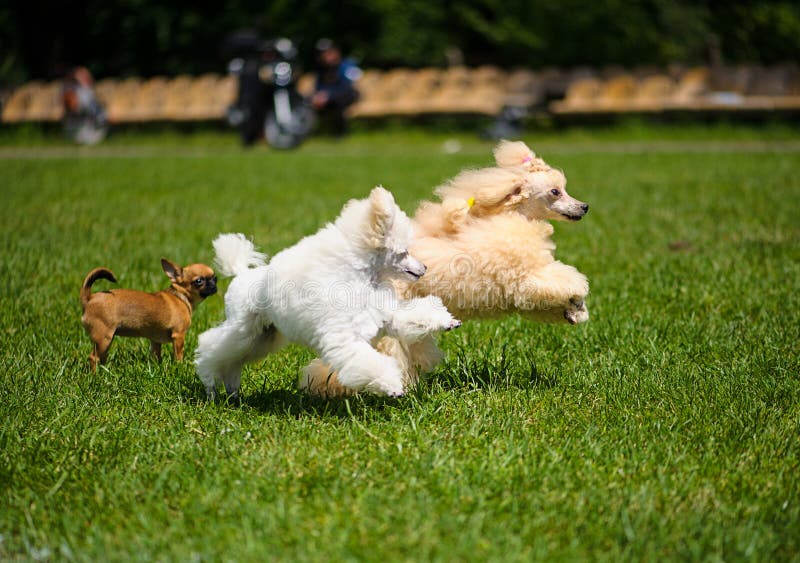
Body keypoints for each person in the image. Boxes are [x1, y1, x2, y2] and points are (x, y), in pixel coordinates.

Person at [311, 38, 361, 136]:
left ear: (336, 52)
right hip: (328, 99)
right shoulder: (321, 71)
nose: (325, 56)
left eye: (328, 53)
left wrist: (329, 95)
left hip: (348, 95)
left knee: (337, 102)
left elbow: (349, 87)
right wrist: (318, 97)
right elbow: (318, 88)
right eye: (322, 54)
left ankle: (340, 134)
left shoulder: (347, 65)